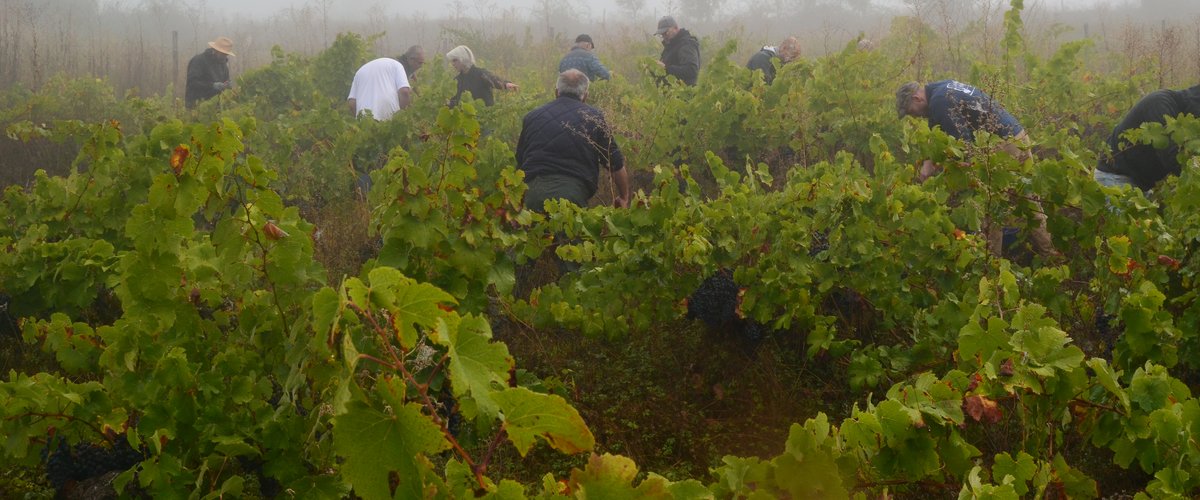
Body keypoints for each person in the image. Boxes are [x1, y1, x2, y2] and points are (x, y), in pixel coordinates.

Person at [896, 80, 1055, 257]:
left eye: (911, 112)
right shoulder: (940, 89)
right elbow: (939, 133)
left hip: (1006, 146)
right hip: (1014, 137)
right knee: (1024, 200)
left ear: (916, 98)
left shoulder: (939, 101)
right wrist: (929, 160)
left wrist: (956, 181)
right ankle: (1047, 254)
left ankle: (991, 264)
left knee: (990, 205)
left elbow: (963, 145)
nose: (915, 117)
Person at [516, 69, 630, 211]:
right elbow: (615, 163)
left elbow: (520, 162)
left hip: (534, 195)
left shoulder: (532, 117)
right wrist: (624, 197)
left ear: (556, 92)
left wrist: (516, 204)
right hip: (572, 197)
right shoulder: (595, 118)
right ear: (585, 96)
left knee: (537, 233)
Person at [1094, 84, 1200, 190]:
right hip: (1115, 179)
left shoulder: (1185, 117)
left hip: (1142, 185)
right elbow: (1172, 157)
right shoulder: (1160, 103)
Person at [446, 45, 518, 107]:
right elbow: (456, 101)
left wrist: (506, 84)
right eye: (452, 61)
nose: (453, 64)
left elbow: (493, 80)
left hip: (485, 118)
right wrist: (449, 104)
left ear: (463, 58)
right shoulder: (457, 80)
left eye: (455, 60)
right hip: (467, 120)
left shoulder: (480, 73)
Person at [347, 57, 412, 121]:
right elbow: (404, 91)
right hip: (388, 117)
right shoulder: (397, 65)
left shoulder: (360, 71)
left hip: (364, 121)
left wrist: (360, 118)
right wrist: (403, 115)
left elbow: (352, 103)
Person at [185, 36, 234, 108]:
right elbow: (192, 82)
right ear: (215, 50)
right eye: (223, 54)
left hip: (215, 107)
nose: (225, 56)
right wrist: (212, 85)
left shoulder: (223, 64)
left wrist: (227, 85)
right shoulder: (199, 60)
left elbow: (225, 80)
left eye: (226, 54)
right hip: (197, 106)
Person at [655, 16, 700, 86]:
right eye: (661, 34)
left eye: (666, 32)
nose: (664, 36)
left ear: (675, 28)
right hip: (670, 94)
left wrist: (666, 68)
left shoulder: (686, 45)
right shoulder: (671, 45)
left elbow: (691, 70)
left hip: (684, 94)